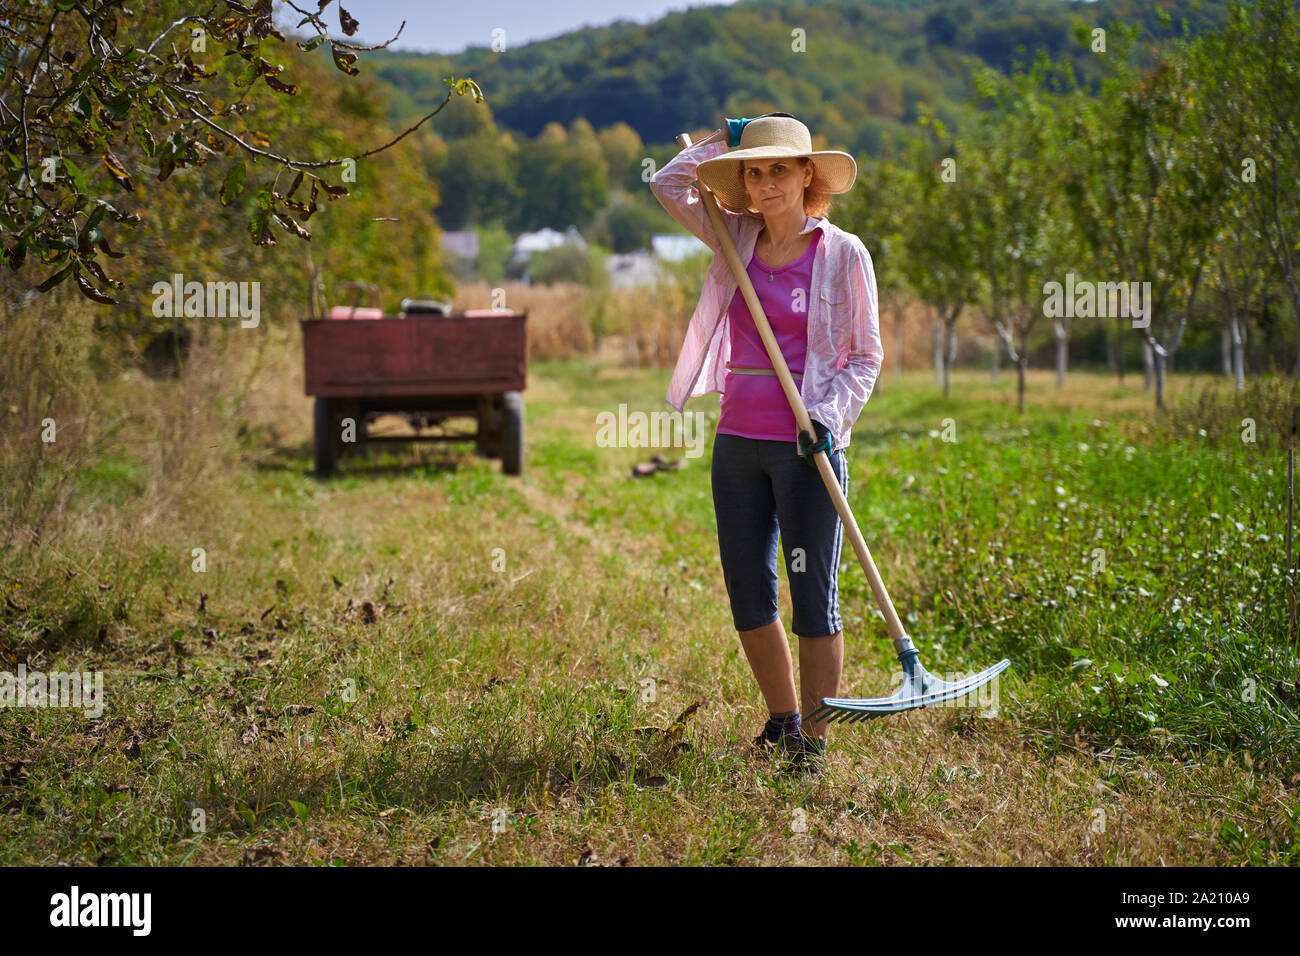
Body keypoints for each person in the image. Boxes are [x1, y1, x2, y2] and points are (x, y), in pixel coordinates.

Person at [649, 113, 884, 775]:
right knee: (749, 593)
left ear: (808, 174)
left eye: (779, 167)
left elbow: (865, 356)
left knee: (814, 597)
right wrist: (732, 136)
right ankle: (781, 721)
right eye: (754, 171)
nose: (766, 182)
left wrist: (828, 422)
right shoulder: (734, 236)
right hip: (737, 441)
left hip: (806, 445)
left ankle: (814, 742)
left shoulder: (842, 254)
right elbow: (672, 184)